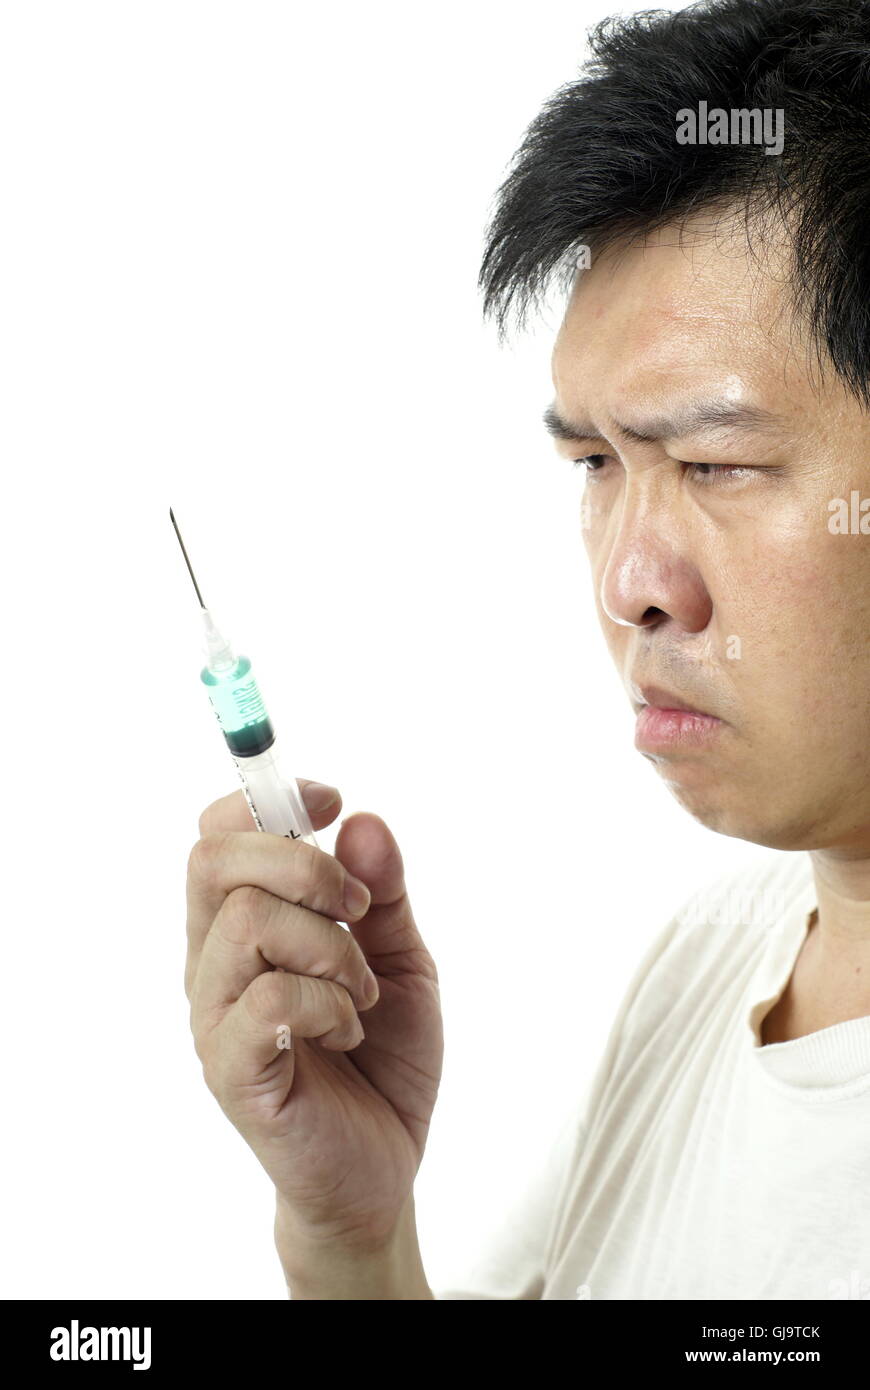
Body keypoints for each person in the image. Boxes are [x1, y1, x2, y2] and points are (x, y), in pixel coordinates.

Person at [183, 0, 870, 1300]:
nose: (629, 583)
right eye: (594, 463)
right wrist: (351, 1231)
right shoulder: (709, 962)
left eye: (715, 462)